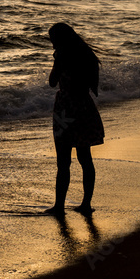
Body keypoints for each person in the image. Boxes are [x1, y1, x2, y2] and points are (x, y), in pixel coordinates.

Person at [45, 23, 104, 216]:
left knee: (63, 160)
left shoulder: (62, 55)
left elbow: (52, 82)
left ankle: (59, 206)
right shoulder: (87, 55)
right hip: (84, 108)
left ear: (60, 39)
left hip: (66, 110)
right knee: (85, 158)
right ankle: (86, 204)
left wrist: (56, 62)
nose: (52, 44)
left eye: (53, 39)